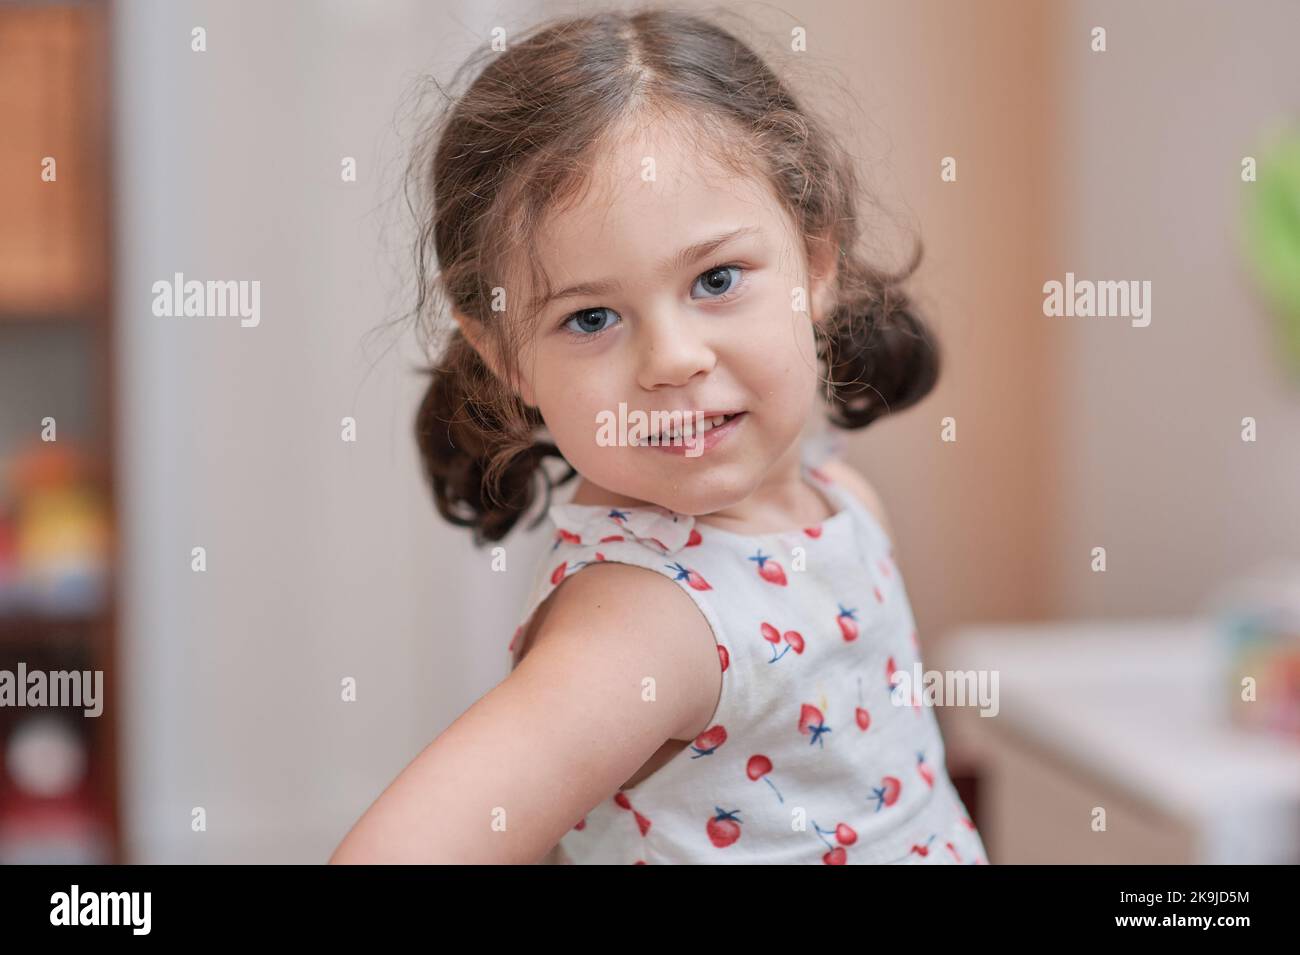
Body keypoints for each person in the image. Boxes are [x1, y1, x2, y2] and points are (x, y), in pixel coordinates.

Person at [331, 7, 986, 865]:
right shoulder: (648, 621)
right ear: (505, 356)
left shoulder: (840, 499)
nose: (672, 359)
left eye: (716, 278)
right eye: (591, 316)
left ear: (815, 260)